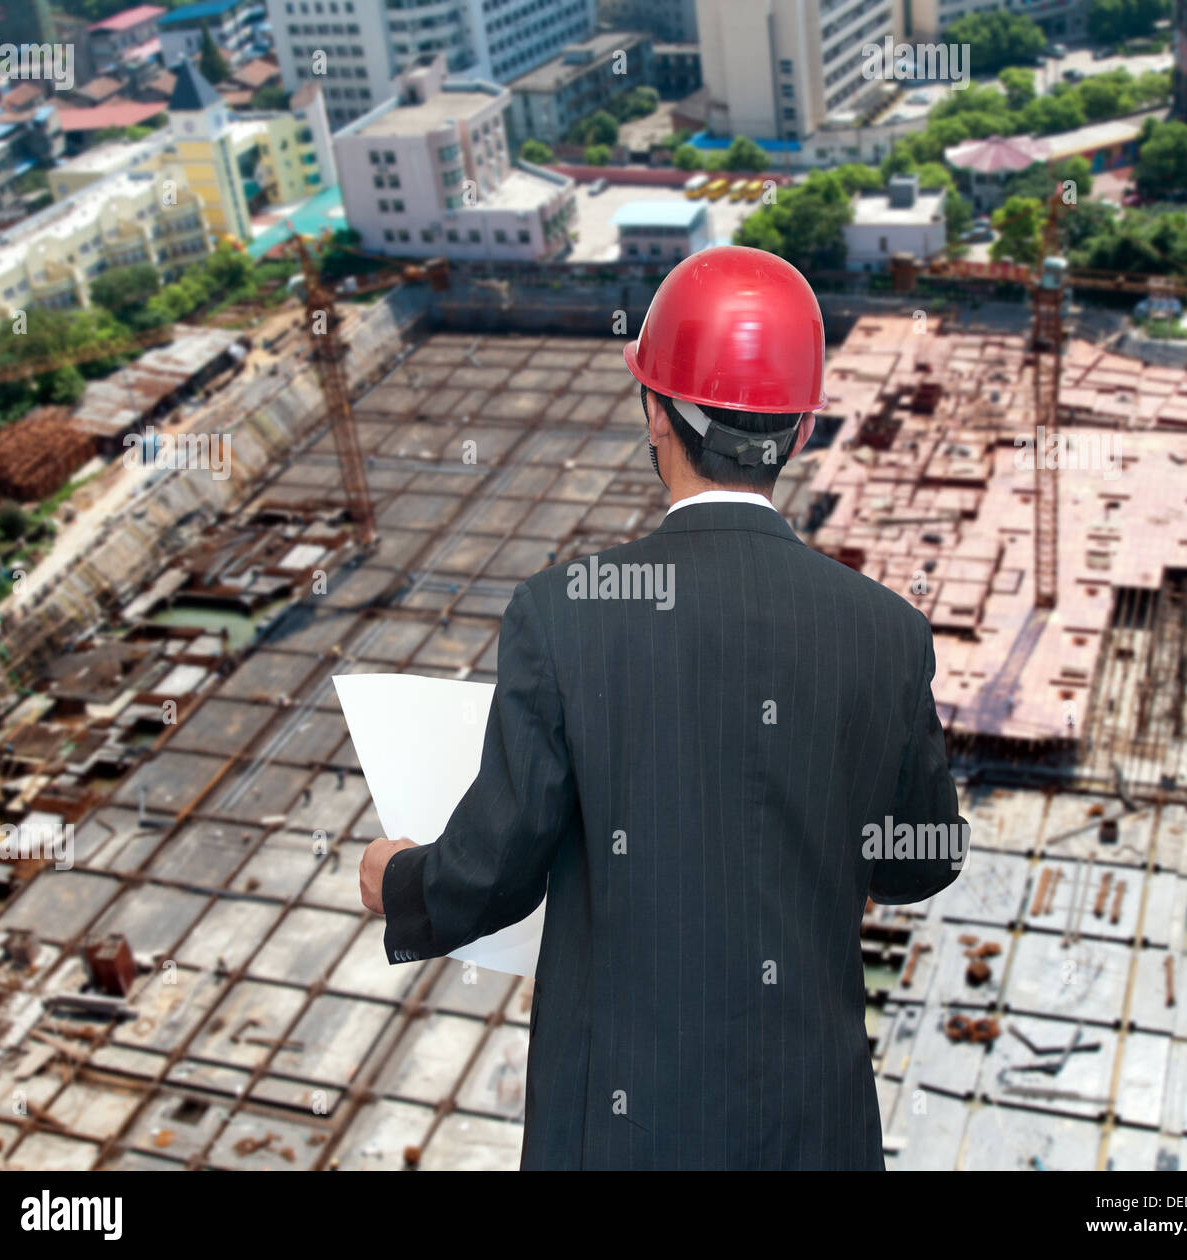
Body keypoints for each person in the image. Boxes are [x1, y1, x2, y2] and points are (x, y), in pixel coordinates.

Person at [359, 245, 967, 1170]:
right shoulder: (888, 632)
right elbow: (921, 863)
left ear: (655, 411)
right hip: (814, 1129)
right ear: (803, 430)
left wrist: (401, 881)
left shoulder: (563, 614)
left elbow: (497, 872)